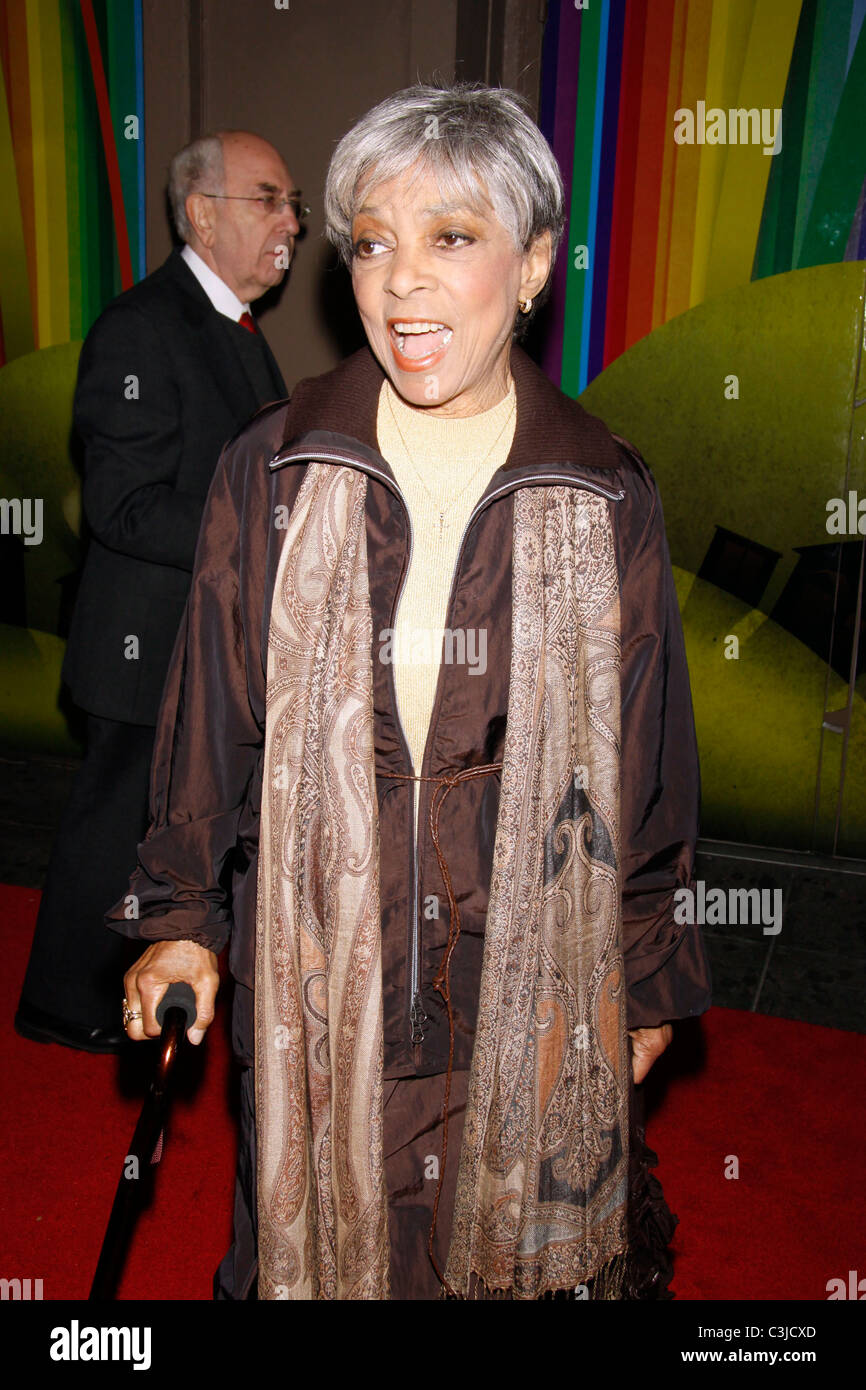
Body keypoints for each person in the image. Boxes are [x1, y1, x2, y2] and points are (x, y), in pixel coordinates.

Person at [112, 84, 711, 1300]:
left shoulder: (603, 492)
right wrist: (179, 916)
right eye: (375, 242)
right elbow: (208, 724)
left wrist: (645, 975)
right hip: (321, 975)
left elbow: (645, 761)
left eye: (451, 239)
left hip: (521, 984)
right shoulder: (275, 465)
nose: (400, 284)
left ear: (534, 262)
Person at [15, 130, 302, 1053]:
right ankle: (65, 1005)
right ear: (201, 213)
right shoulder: (143, 327)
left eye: (292, 204)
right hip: (142, 650)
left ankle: (143, 982)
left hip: (195, 646)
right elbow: (125, 507)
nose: (292, 222)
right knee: (111, 831)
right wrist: (269, 534)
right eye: (270, 199)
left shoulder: (236, 329)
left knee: (152, 833)